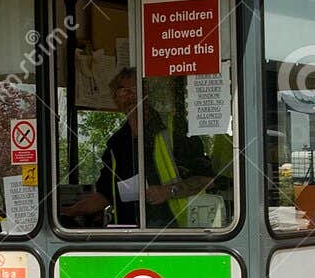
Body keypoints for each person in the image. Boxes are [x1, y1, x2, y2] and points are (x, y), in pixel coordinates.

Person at [60, 68, 215, 228]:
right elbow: (105, 196)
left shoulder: (175, 131)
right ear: (116, 99)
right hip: (129, 234)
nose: (131, 96)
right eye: (124, 91)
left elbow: (208, 180)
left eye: (136, 89)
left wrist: (168, 191)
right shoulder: (116, 144)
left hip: (177, 232)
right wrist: (69, 211)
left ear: (147, 94)